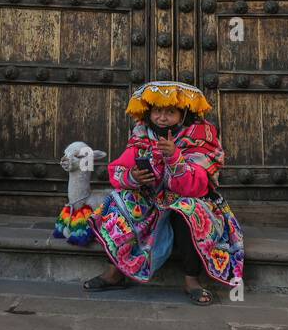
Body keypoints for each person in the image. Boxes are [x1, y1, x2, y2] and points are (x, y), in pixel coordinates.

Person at [84, 80, 245, 305]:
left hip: (194, 199)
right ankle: (115, 272)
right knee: (118, 199)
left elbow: (196, 186)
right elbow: (119, 170)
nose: (162, 117)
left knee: (186, 210)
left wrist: (174, 156)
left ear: (184, 113)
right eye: (157, 111)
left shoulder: (201, 135)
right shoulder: (142, 135)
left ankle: (191, 279)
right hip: (152, 201)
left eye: (170, 112)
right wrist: (133, 177)